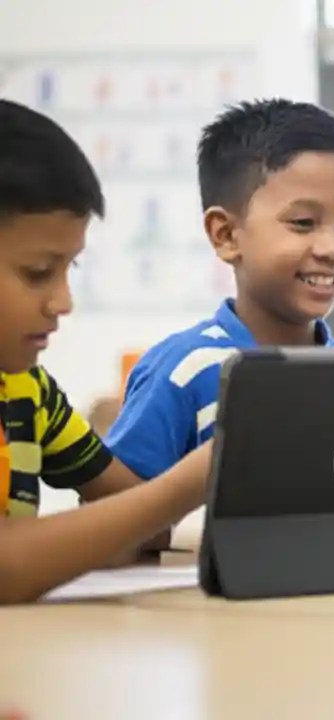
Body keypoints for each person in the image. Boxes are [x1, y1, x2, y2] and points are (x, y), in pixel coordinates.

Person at [0, 99, 211, 603]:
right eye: (37, 273)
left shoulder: (30, 392)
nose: (63, 302)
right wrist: (187, 483)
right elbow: (6, 569)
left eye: (69, 269)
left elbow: (133, 517)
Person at [106, 99, 334, 480]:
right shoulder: (182, 370)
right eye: (304, 222)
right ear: (225, 235)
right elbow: (114, 518)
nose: (333, 249)